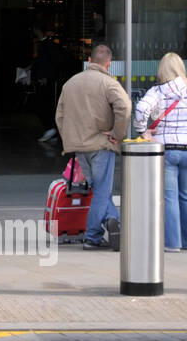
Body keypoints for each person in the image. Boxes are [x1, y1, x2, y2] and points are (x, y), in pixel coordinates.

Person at [55, 41, 131, 249]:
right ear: (109, 63)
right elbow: (124, 107)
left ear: (89, 60)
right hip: (101, 145)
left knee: (98, 190)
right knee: (101, 192)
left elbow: (59, 115)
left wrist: (70, 138)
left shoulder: (70, 83)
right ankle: (92, 237)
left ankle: (111, 222)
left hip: (80, 148)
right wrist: (117, 134)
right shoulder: (109, 83)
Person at [133, 52, 187, 251]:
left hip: (167, 149)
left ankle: (172, 243)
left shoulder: (158, 91)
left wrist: (143, 131)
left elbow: (141, 109)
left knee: (169, 196)